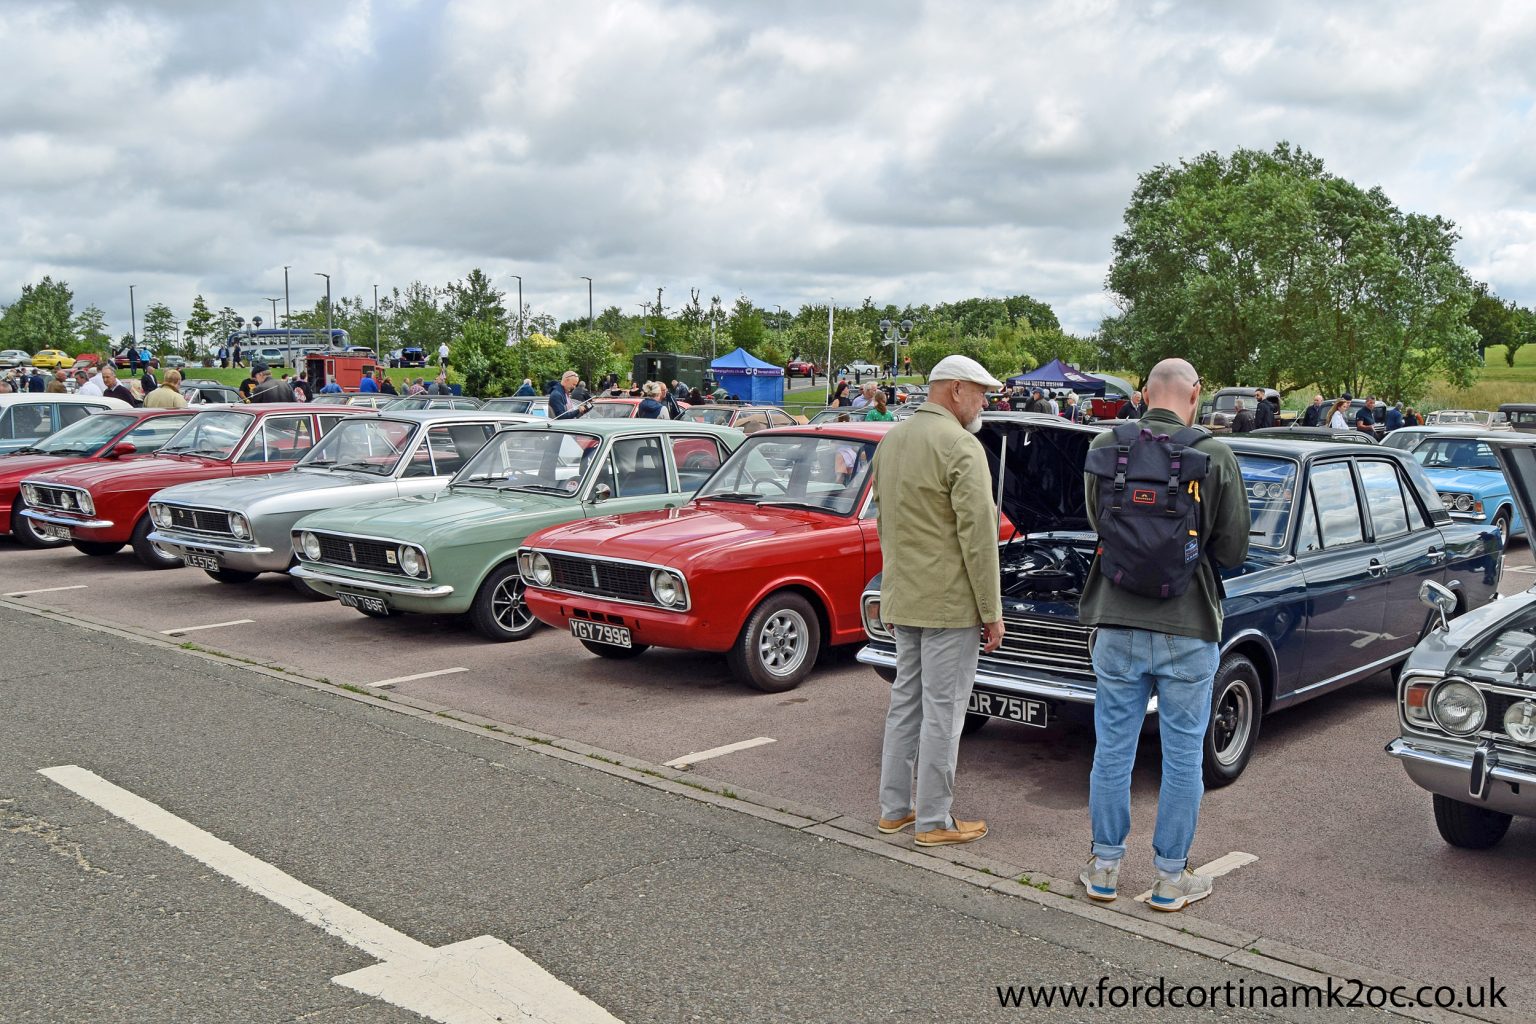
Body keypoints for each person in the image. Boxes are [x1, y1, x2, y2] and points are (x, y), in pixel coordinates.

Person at [1078, 357, 1249, 911]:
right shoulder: (1215, 454)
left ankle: (1104, 868)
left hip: (1117, 618)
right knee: (1181, 757)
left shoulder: (1105, 445)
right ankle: (1171, 878)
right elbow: (1233, 549)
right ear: (1195, 394)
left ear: (1144, 394)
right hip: (1188, 624)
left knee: (1113, 750)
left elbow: (1099, 525)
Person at [873, 354, 1005, 849]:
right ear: (955, 390)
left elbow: (885, 524)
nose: (984, 403)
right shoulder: (961, 445)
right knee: (944, 713)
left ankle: (894, 810)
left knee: (905, 705)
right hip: (949, 605)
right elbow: (980, 539)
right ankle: (933, 820)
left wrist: (892, 590)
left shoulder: (892, 440)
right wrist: (992, 613)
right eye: (981, 393)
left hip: (904, 596)